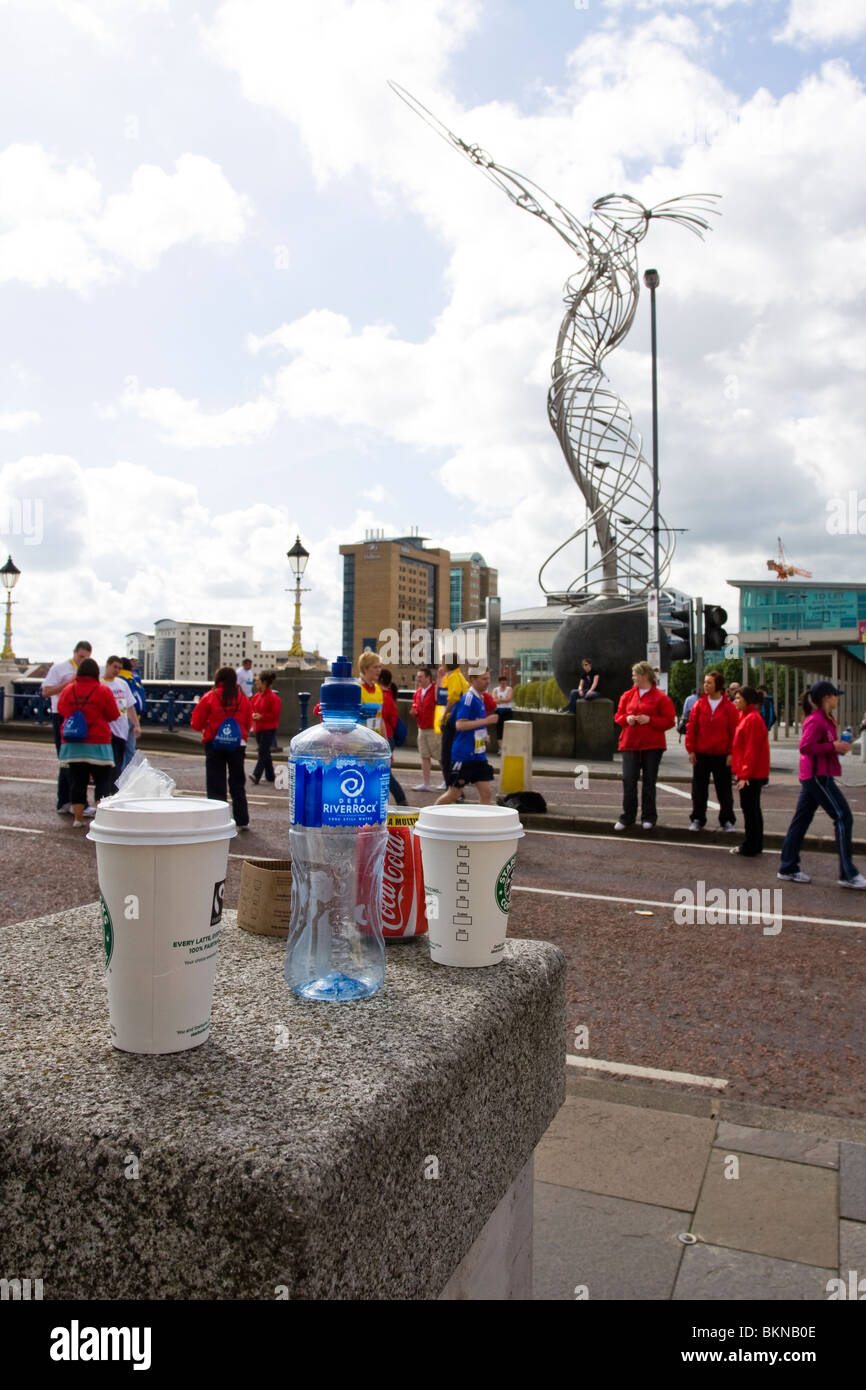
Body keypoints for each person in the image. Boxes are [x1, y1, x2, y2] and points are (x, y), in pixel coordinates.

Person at [778, 681, 865, 888]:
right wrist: (832, 746)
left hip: (817, 775)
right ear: (827, 697)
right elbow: (805, 747)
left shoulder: (827, 720)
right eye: (835, 695)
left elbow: (822, 746)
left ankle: (788, 867)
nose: (837, 698)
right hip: (817, 776)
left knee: (801, 820)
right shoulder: (815, 720)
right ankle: (848, 873)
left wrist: (837, 748)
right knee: (843, 817)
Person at [56, 658, 120, 827]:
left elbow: (62, 710)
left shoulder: (69, 690)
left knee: (78, 782)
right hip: (98, 743)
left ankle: (78, 819)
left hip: (73, 744)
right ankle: (101, 820)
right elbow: (113, 714)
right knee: (102, 782)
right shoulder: (103, 690)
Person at [613, 661, 676, 831]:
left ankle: (649, 817)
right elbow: (618, 715)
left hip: (652, 746)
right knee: (629, 781)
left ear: (645, 676)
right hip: (630, 744)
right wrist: (627, 719)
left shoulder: (660, 697)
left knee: (649, 781)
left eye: (635, 674)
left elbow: (670, 721)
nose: (633, 677)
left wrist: (650, 720)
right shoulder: (627, 695)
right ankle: (627, 817)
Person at [191, 667, 252, 830]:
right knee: (238, 782)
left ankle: (217, 820)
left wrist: (207, 728)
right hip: (238, 745)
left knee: (215, 782)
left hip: (214, 743)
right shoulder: (242, 698)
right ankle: (242, 819)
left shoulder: (210, 697)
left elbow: (196, 722)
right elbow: (248, 722)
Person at [42, 640, 93, 815]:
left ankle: (67, 802)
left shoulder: (88, 672)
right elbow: (46, 691)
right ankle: (69, 802)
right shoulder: (60, 668)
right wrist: (70, 683)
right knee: (67, 760)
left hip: (79, 717)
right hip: (61, 716)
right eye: (80, 657)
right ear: (74, 652)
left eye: (86, 658)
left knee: (75, 761)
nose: (82, 661)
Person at [685, 671, 738, 832]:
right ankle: (698, 819)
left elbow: (733, 731)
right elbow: (692, 728)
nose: (705, 686)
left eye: (709, 683)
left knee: (724, 790)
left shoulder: (729, 706)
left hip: (721, 754)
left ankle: (727, 819)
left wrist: (731, 753)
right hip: (702, 753)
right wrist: (691, 750)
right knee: (699, 789)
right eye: (705, 682)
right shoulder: (699, 705)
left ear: (718, 685)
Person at [435, 668, 498, 805]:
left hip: (478, 755)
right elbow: (460, 725)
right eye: (483, 679)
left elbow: (475, 723)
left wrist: (484, 735)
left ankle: (482, 826)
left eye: (488, 678)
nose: (487, 682)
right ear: (473, 679)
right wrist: (486, 721)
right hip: (464, 756)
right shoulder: (468, 699)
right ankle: (429, 817)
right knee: (454, 793)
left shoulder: (480, 698)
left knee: (486, 793)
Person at [729, 687, 770, 857]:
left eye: (738, 698)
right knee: (752, 809)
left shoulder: (752, 719)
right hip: (751, 771)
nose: (735, 701)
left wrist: (744, 775)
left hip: (751, 773)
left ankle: (751, 845)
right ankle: (755, 843)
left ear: (746, 700)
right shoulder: (746, 717)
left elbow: (750, 750)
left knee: (750, 809)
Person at [103, 655, 142, 793]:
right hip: (106, 732)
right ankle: (110, 793)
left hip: (122, 731)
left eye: (119, 668)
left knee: (118, 764)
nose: (117, 670)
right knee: (110, 766)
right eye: (114, 667)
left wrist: (136, 725)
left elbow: (130, 706)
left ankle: (114, 792)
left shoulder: (122, 684)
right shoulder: (101, 684)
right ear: (107, 666)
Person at [439, 657, 470, 790]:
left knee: (446, 756)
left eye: (443, 662)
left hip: (453, 720)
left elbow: (452, 698)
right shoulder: (459, 676)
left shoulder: (454, 677)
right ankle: (455, 786)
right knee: (455, 754)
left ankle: (451, 787)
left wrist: (444, 716)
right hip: (461, 718)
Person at [379, 668, 408, 806]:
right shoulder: (385, 695)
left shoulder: (385, 697)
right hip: (385, 737)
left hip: (386, 738)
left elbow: (387, 719)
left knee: (386, 774)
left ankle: (401, 800)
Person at [249, 669, 282, 785]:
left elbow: (274, 714)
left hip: (269, 728)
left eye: (258, 680)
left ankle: (256, 774)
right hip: (258, 727)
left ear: (264, 682)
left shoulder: (273, 698)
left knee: (262, 752)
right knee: (265, 752)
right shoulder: (256, 697)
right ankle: (270, 775)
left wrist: (261, 716)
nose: (256, 682)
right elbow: (252, 709)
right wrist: (254, 715)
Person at [410, 665, 440, 791]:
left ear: (428, 678)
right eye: (418, 677)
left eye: (421, 677)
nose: (418, 679)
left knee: (441, 757)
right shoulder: (417, 692)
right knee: (424, 756)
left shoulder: (435, 689)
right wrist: (414, 711)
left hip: (434, 728)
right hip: (421, 728)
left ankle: (448, 781)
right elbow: (416, 705)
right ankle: (426, 783)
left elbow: (441, 704)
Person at [119, 656, 147, 769]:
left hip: (124, 716)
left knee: (120, 749)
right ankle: (129, 773)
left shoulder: (120, 680)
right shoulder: (134, 677)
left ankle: (121, 776)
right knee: (130, 749)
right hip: (136, 716)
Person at [492, 672, 514, 741]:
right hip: (498, 711)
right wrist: (503, 699)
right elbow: (494, 700)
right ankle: (500, 748)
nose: (503, 684)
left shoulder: (509, 689)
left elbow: (508, 699)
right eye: (502, 683)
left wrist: (499, 699)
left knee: (508, 728)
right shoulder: (495, 689)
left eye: (504, 683)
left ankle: (507, 745)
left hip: (507, 711)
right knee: (499, 729)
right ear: (499, 682)